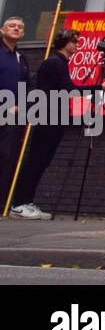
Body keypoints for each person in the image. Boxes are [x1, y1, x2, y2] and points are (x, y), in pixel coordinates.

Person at [9, 30, 105, 219]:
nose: (77, 45)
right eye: (74, 42)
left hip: (54, 116)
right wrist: (100, 87)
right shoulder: (54, 62)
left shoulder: (59, 63)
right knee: (36, 160)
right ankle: (19, 204)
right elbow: (69, 90)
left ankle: (27, 201)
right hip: (47, 117)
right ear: (64, 43)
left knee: (43, 161)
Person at [0, 16, 31, 204]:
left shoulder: (22, 58)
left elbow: (28, 84)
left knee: (7, 157)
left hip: (13, 117)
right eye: (12, 26)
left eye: (20, 27)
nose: (16, 29)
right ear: (2, 30)